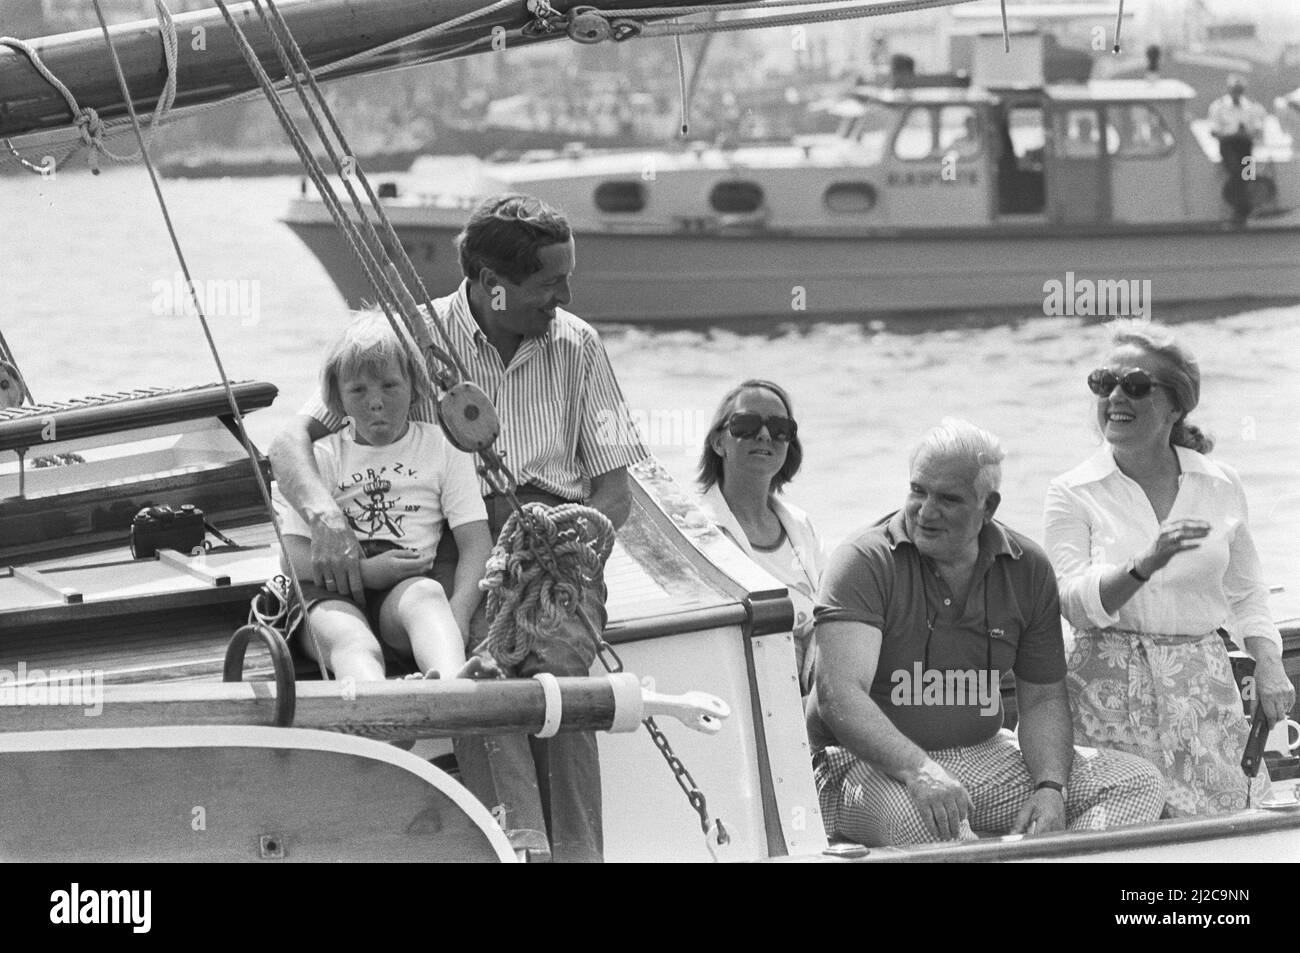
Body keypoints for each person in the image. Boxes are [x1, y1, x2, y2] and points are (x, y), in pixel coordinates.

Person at [270, 194, 647, 862]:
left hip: (554, 536)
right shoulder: (407, 336)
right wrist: (325, 515)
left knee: (562, 665)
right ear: (490, 288)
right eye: (549, 282)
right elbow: (291, 440)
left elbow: (614, 489)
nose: (564, 294)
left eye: (567, 276)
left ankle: (581, 852)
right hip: (460, 534)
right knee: (478, 646)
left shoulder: (580, 346)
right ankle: (522, 842)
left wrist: (566, 549)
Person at [807, 419, 1166, 846]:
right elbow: (839, 696)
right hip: (860, 764)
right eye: (918, 490)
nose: (925, 511)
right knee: (921, 816)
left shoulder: (1027, 567)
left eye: (948, 498)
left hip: (984, 753)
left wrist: (1050, 788)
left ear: (988, 506)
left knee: (1137, 781)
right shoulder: (863, 561)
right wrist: (920, 771)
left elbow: (1043, 699)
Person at [1044, 322, 1294, 816]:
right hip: (1107, 687)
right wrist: (1144, 564)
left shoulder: (1219, 483)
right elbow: (1072, 602)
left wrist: (1268, 664)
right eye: (1103, 382)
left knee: (1223, 835)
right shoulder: (1072, 491)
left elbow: (1246, 592)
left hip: (1203, 686)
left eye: (1135, 385)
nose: (1115, 396)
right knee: (1129, 840)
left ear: (1176, 406)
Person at [277, 313, 496, 682]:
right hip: (328, 595)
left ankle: (449, 682)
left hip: (402, 591)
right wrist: (365, 573)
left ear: (414, 386)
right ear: (337, 397)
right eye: (358, 391)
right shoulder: (324, 457)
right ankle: (380, 707)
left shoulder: (443, 449)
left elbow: (476, 543)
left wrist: (457, 613)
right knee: (354, 643)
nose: (375, 403)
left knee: (427, 596)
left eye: (390, 386)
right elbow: (291, 558)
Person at [697, 380, 825, 693]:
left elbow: (829, 613)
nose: (765, 435)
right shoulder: (696, 531)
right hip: (749, 691)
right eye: (747, 424)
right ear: (718, 442)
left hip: (815, 690)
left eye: (780, 428)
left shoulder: (802, 525)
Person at [1208, 74, 1267, 224]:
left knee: (1248, 175)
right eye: (1234, 89)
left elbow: (1258, 129)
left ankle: (1247, 209)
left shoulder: (1252, 107)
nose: (1236, 92)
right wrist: (1232, 133)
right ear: (1229, 89)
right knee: (1235, 171)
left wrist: (1246, 132)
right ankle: (1239, 209)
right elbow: (1214, 131)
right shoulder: (1218, 106)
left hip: (1245, 145)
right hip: (1228, 146)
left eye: (1239, 89)